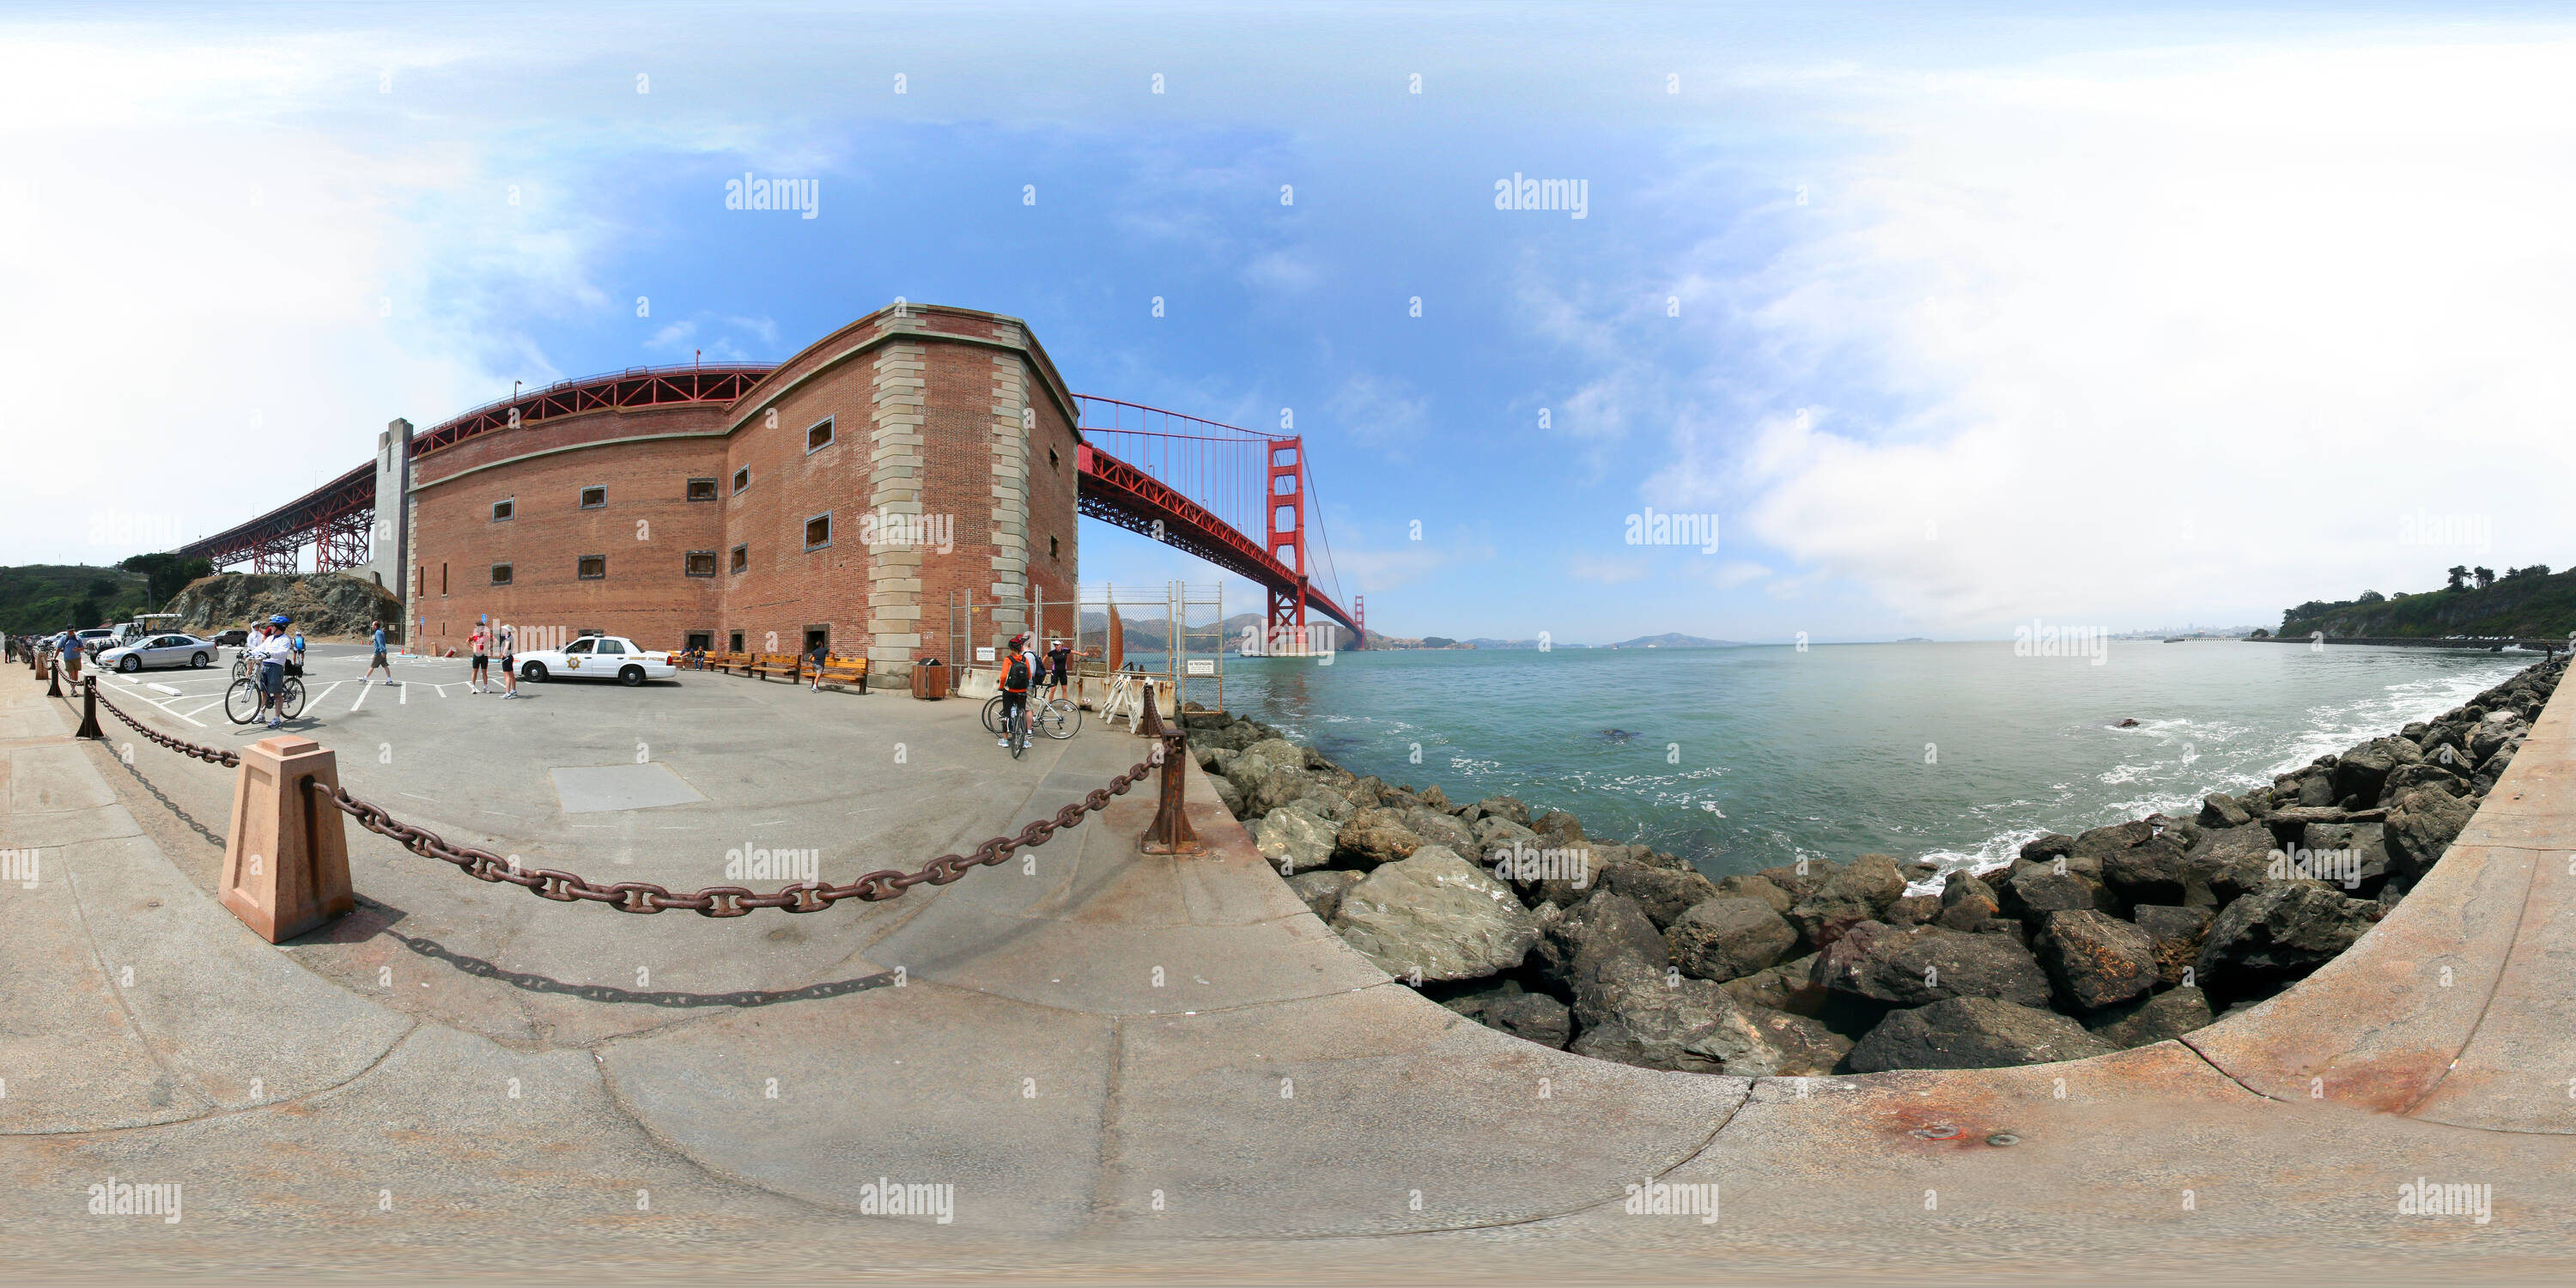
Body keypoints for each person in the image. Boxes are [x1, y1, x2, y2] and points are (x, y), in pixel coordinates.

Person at [250, 615, 296, 727]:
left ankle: (277, 719)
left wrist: (271, 654)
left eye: (272, 626)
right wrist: (249, 653)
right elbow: (261, 649)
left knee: (277, 694)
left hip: (276, 666)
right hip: (265, 665)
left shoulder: (285, 639)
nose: (270, 628)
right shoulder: (270, 638)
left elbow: (283, 653)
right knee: (264, 693)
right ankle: (261, 715)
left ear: (279, 627)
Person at [996, 632, 1038, 749]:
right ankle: (1024, 741)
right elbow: (1029, 675)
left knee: (1006, 714)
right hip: (1022, 691)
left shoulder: (1007, 659)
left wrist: (1001, 687)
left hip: (1009, 691)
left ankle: (1005, 740)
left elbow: (1004, 676)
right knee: (1022, 713)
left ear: (1010, 648)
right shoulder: (1024, 659)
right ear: (1020, 648)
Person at [364, 622, 396, 686]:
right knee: (385, 666)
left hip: (378, 653)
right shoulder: (380, 632)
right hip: (382, 652)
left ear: (375, 626)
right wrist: (383, 651)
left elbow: (380, 643)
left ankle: (364, 679)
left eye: (372, 625)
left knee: (372, 666)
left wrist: (382, 651)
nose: (371, 626)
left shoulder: (378, 633)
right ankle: (389, 680)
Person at [496, 623, 521, 699]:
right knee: (511, 674)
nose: (503, 630)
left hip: (507, 657)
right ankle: (513, 690)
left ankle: (507, 693)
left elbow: (507, 646)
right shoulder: (510, 637)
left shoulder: (508, 637)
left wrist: (503, 654)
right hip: (510, 657)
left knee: (507, 676)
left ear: (507, 630)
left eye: (504, 629)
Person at [468, 624, 490, 693]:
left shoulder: (486, 636)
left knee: (484, 672)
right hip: (476, 656)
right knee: (475, 671)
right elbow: (467, 641)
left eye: (482, 629)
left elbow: (493, 641)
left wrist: (489, 647)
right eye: (479, 629)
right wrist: (472, 646)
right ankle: (473, 687)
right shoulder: (474, 636)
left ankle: (485, 687)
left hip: (484, 656)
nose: (480, 630)